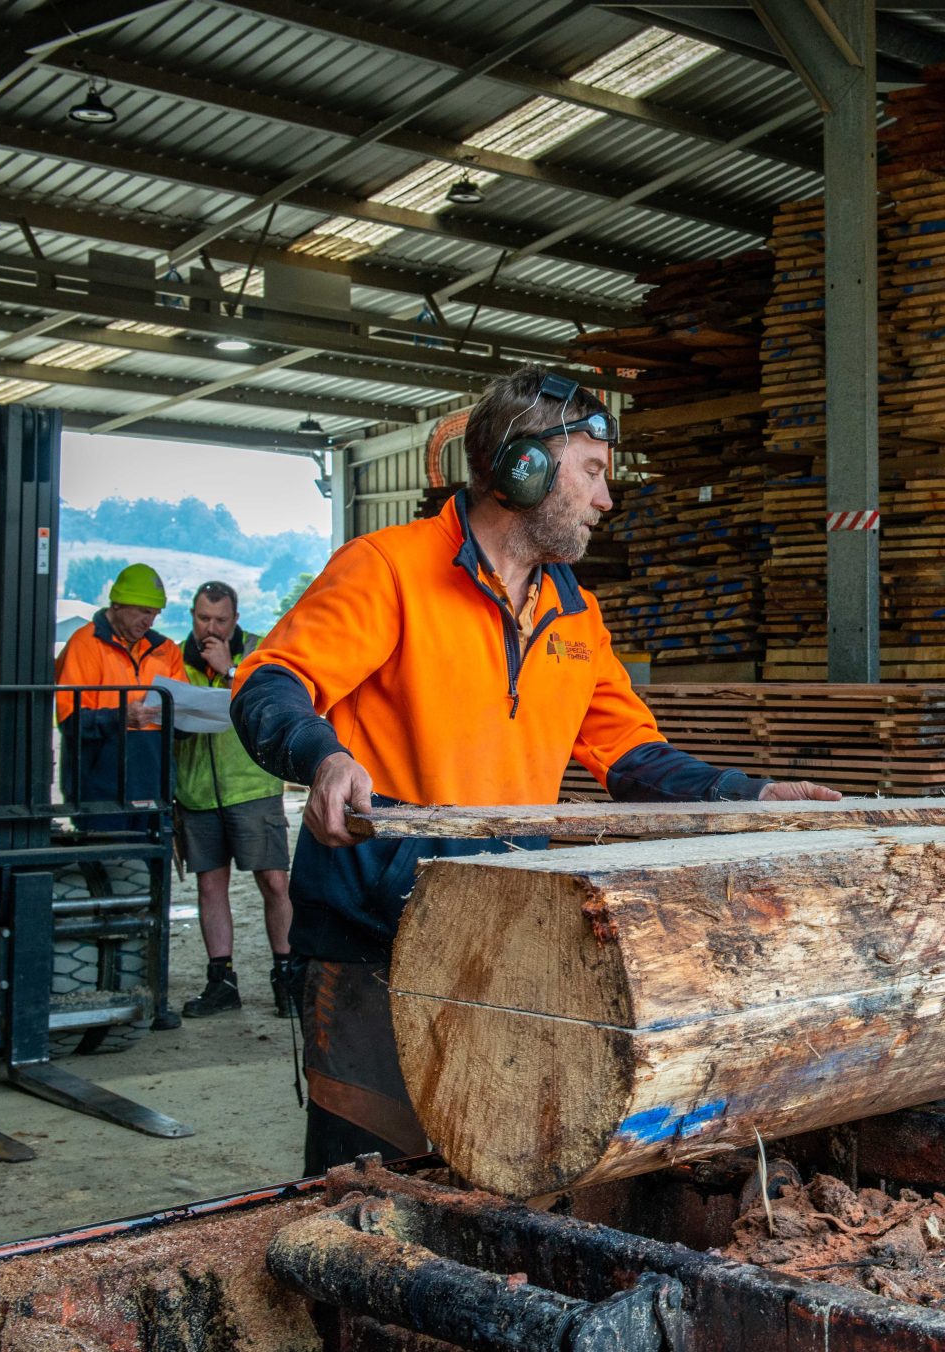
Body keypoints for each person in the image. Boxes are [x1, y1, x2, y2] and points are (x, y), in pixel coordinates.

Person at [232, 365, 842, 1174]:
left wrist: (751, 794)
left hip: (501, 939)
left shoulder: (573, 613)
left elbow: (632, 757)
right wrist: (324, 755)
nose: (605, 499)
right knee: (366, 1183)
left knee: (481, 1168)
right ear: (526, 465)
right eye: (592, 473)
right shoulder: (389, 569)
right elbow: (269, 685)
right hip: (370, 943)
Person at [174, 580, 304, 1021]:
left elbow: (276, 701)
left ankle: (287, 976)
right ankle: (221, 980)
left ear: (236, 617)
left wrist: (230, 670)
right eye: (203, 619)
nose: (210, 628)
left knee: (274, 884)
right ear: (192, 615)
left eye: (220, 620)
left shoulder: (260, 651)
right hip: (197, 792)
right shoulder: (176, 658)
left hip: (252, 788)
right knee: (210, 885)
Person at [55, 563, 187, 832]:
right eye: (144, 612)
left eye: (155, 614)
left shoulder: (166, 650)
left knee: (150, 868)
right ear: (117, 605)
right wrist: (121, 717)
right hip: (99, 793)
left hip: (153, 788)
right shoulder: (84, 645)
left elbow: (184, 718)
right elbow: (70, 720)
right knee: (109, 865)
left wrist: (186, 718)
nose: (149, 621)